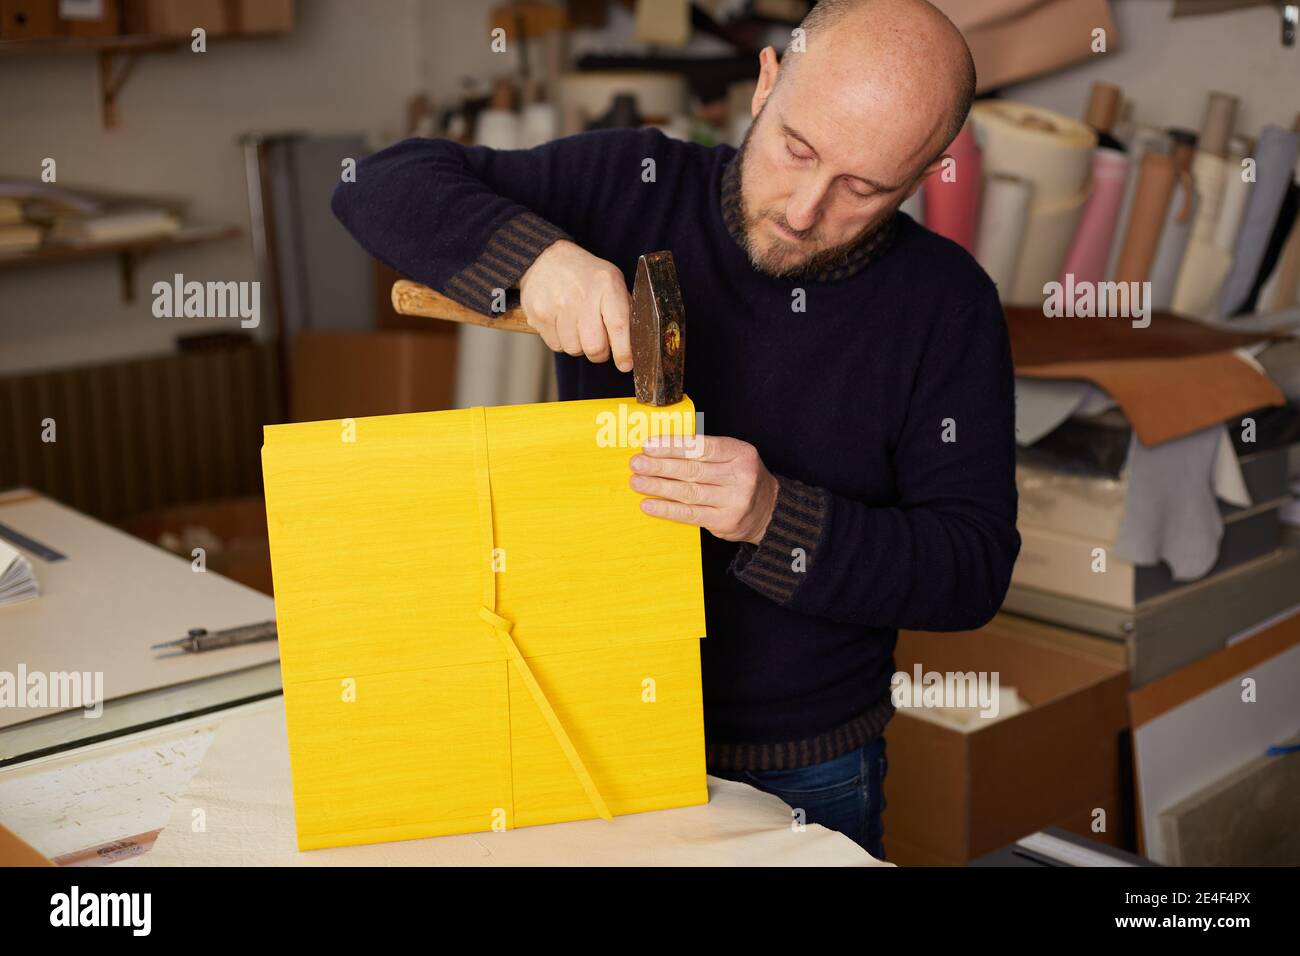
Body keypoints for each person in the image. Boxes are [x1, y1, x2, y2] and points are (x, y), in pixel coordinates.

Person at [331, 0, 1020, 860]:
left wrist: (776, 518)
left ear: (923, 174)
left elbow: (972, 569)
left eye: (864, 187)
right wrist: (535, 260)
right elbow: (370, 183)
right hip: (590, 716)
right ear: (767, 83)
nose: (805, 210)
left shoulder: (947, 305)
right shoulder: (631, 185)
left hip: (804, 767)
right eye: (797, 151)